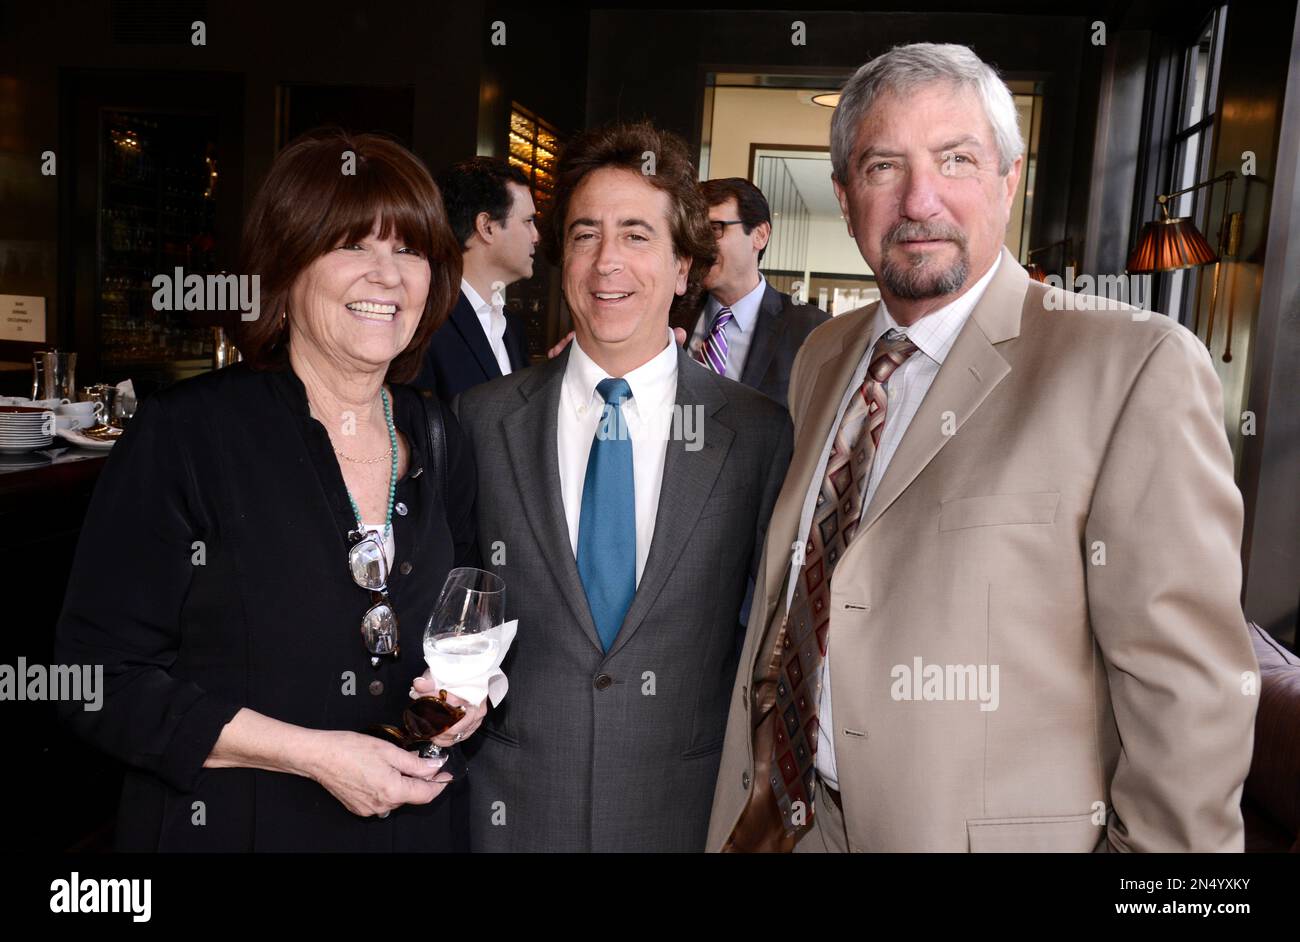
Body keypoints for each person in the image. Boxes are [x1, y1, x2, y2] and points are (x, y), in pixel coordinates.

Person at [708, 42, 1257, 853]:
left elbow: (1189, 691)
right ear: (844, 195)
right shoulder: (825, 357)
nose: (919, 198)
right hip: (796, 824)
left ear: (1009, 181)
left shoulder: (1134, 366)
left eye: (956, 159)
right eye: (883, 166)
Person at [55, 129, 487, 851]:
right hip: (237, 827)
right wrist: (316, 756)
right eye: (353, 244)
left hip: (414, 830)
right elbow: (98, 681)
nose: (387, 276)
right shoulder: (188, 436)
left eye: (409, 249)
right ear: (285, 269)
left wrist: (471, 696)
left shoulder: (440, 436)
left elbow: (475, 615)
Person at [456, 121, 793, 852]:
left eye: (637, 235)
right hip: (513, 813)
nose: (607, 261)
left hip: (684, 813)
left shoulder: (757, 433)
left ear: (683, 268)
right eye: (584, 235)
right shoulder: (483, 420)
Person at [687, 178, 828, 408]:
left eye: (714, 229)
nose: (699, 245)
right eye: (695, 232)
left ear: (760, 235)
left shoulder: (812, 331)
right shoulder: (668, 313)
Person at [414, 157, 536, 400]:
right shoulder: (424, 325)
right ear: (487, 227)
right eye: (528, 221)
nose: (536, 236)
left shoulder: (511, 327)